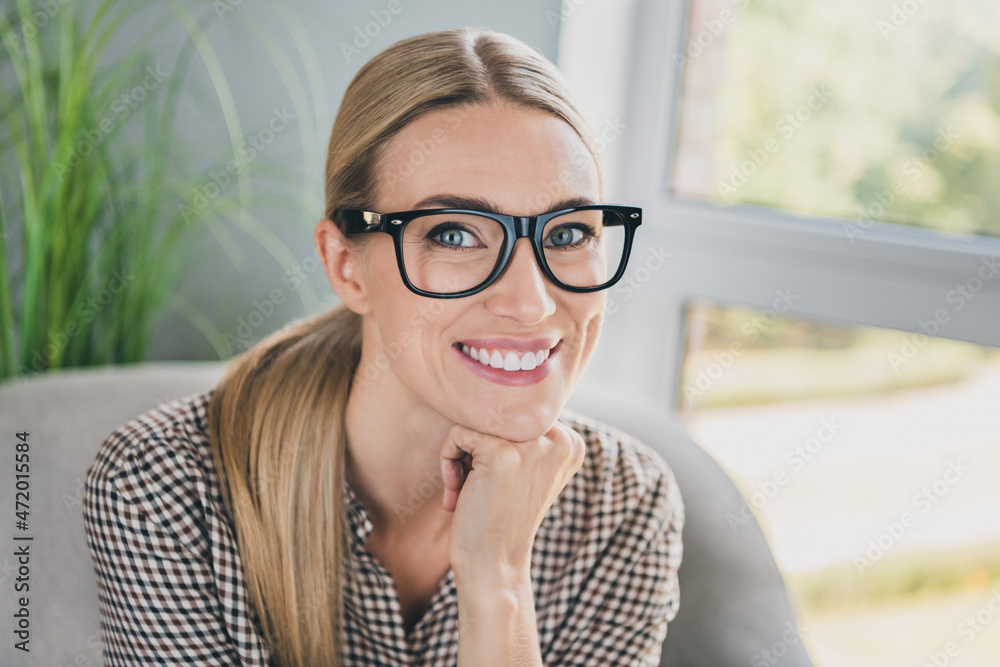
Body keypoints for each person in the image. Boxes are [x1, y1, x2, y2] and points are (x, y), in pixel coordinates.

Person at [83, 27, 683, 666]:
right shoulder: (162, 491)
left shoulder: (624, 502)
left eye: (568, 233)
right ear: (347, 267)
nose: (532, 303)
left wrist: (497, 582)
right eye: (455, 235)